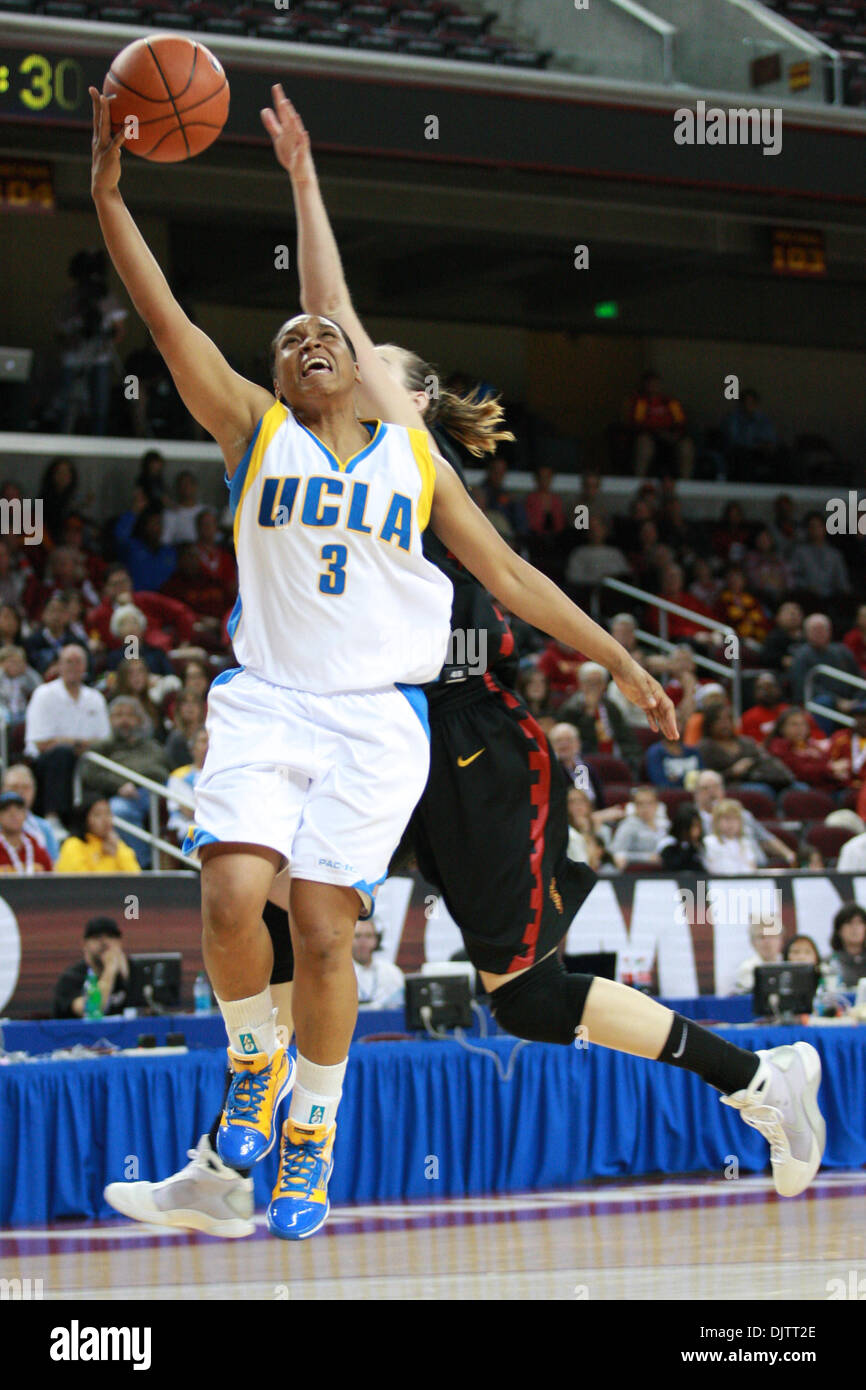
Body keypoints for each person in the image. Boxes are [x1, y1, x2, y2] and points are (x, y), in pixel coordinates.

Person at [101, 87, 824, 1240]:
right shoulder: (292, 424)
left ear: (410, 394)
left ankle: (755, 1079)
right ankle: (242, 1152)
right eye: (319, 338)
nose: (332, 338)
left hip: (458, 735)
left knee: (524, 995)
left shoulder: (405, 449)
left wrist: (625, 661)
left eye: (367, 350)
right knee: (266, 909)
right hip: (337, 712)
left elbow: (519, 584)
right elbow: (315, 304)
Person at [79, 695, 172, 867]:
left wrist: (132, 776)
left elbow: (162, 771)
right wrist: (118, 784)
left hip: (157, 792)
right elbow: (89, 773)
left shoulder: (152, 746)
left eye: (129, 715)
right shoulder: (103, 747)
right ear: (110, 719)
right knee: (119, 810)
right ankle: (142, 864)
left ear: (139, 720)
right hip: (125, 795)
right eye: (118, 715)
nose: (124, 720)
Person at [24, 644, 111, 826]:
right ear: (59, 666)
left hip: (86, 761)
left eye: (78, 662)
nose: (73, 666)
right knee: (62, 754)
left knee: (97, 762)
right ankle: (53, 818)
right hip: (46, 765)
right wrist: (76, 744)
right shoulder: (44, 694)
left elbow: (105, 741)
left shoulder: (95, 698)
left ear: (85, 667)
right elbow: (41, 743)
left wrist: (72, 743)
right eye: (68, 662)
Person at [559, 661, 641, 773]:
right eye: (589, 682)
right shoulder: (571, 709)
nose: (594, 687)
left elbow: (625, 735)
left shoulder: (610, 706)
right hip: (586, 761)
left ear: (604, 685)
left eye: (598, 683)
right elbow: (582, 742)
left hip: (616, 758)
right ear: (581, 684)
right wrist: (589, 714)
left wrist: (630, 755)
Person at [53, 916, 142, 1018]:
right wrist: (109, 970)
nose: (104, 942)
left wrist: (127, 977)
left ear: (120, 942)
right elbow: (92, 1010)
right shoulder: (71, 978)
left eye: (111, 936)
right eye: (97, 937)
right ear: (85, 944)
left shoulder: (134, 971)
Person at [698, 704, 792, 798]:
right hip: (729, 785)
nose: (725, 724)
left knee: (798, 788)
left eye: (728, 719)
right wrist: (732, 772)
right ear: (709, 723)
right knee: (763, 791)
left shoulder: (746, 742)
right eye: (719, 720)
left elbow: (764, 759)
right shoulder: (705, 747)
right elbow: (704, 777)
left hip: (759, 778)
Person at [789, 613, 861, 729]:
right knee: (823, 702)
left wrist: (857, 698)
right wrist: (837, 701)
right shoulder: (801, 656)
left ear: (830, 631)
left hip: (850, 699)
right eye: (815, 630)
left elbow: (858, 677)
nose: (819, 633)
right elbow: (802, 687)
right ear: (806, 633)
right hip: (820, 702)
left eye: (822, 629)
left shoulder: (842, 651)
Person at [624, 370, 694, 478]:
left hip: (670, 437)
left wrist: (674, 435)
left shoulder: (670, 402)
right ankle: (638, 480)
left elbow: (681, 422)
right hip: (650, 437)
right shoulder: (640, 402)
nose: (653, 386)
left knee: (686, 446)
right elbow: (638, 423)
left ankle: (686, 482)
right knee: (644, 443)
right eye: (650, 383)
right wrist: (657, 432)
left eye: (655, 383)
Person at [766, 708, 847, 793]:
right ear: (782, 728)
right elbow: (799, 771)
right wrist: (830, 769)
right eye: (794, 724)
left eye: (803, 724)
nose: (800, 728)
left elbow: (827, 762)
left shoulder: (812, 745)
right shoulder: (778, 746)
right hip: (798, 790)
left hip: (824, 787)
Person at [55, 796, 141, 874]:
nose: (105, 820)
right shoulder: (73, 844)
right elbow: (84, 884)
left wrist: (117, 852)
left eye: (108, 813)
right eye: (97, 815)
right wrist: (108, 858)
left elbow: (135, 875)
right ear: (85, 819)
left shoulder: (114, 843)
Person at [1, 763, 61, 862]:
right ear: (2, 789)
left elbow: (53, 867)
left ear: (34, 791)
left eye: (26, 787)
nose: (20, 792)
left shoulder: (44, 828)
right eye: (14, 787)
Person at [790, 512, 850, 600]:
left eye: (819, 526)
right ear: (807, 529)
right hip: (807, 597)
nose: (815, 530)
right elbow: (793, 577)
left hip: (833, 598)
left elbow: (842, 581)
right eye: (812, 527)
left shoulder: (835, 554)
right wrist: (807, 587)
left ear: (825, 528)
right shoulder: (799, 552)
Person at [352, 919, 405, 1007]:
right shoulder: (338, 974)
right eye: (357, 936)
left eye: (368, 936)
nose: (363, 941)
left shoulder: (392, 972)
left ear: (377, 940)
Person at [610, 785, 665, 869]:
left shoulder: (664, 825)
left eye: (649, 803)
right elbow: (617, 853)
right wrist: (646, 857)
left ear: (657, 805)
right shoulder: (629, 825)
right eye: (640, 803)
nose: (645, 808)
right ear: (634, 806)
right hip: (638, 873)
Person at [550, 722, 604, 804]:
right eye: (558, 741)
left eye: (569, 740)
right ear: (551, 746)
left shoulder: (587, 766)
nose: (564, 745)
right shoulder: (552, 772)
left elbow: (599, 799)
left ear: (578, 743)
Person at [0, 790, 53, 873]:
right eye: (6, 810)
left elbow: (51, 878)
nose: (13, 814)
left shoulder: (36, 846)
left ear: (25, 815)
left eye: (18, 809)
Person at [703, 799, 758, 876]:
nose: (731, 823)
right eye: (726, 819)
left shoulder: (745, 842)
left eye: (735, 819)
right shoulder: (709, 842)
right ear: (716, 821)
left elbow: (752, 867)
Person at [733, 916, 783, 995]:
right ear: (753, 942)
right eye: (761, 937)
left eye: (771, 936)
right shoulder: (746, 969)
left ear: (780, 939)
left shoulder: (788, 962)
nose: (767, 941)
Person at [161, 470, 205, 545]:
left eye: (189, 484)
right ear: (177, 488)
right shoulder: (169, 514)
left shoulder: (206, 511)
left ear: (195, 486)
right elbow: (165, 541)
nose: (187, 487)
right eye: (183, 484)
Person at [827, 903, 866, 988]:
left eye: (860, 923)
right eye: (849, 923)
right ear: (839, 929)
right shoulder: (830, 963)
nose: (855, 928)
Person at [658, 803, 705, 871]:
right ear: (683, 828)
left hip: (697, 881)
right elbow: (669, 870)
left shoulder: (703, 846)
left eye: (698, 826)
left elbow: (702, 877)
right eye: (694, 826)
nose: (698, 830)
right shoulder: (668, 845)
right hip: (674, 880)